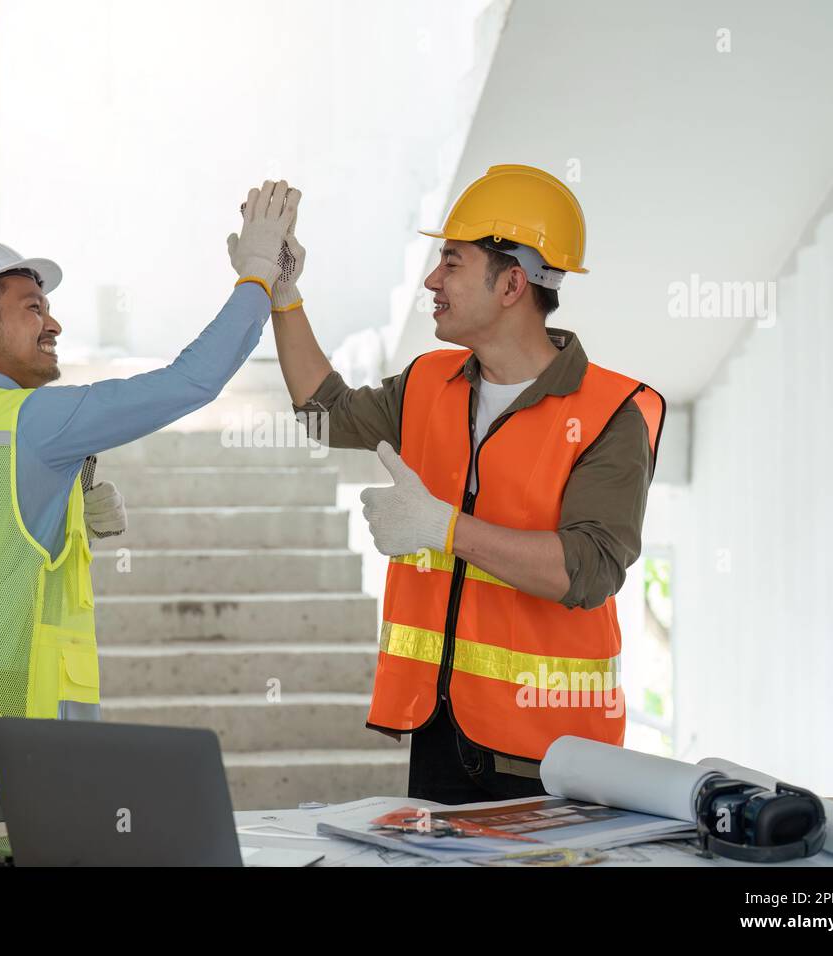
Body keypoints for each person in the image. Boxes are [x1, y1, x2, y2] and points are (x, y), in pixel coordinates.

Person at [0, 181, 299, 823]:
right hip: (18, 749)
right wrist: (257, 281)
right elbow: (189, 382)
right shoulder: (30, 420)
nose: (53, 323)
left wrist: (64, 508)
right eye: (31, 307)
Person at [266, 165, 665, 805]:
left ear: (511, 283)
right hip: (441, 729)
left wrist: (443, 529)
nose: (432, 280)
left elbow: (588, 569)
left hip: (552, 753)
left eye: (450, 262)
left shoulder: (610, 412)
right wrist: (282, 294)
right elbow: (325, 413)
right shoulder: (429, 382)